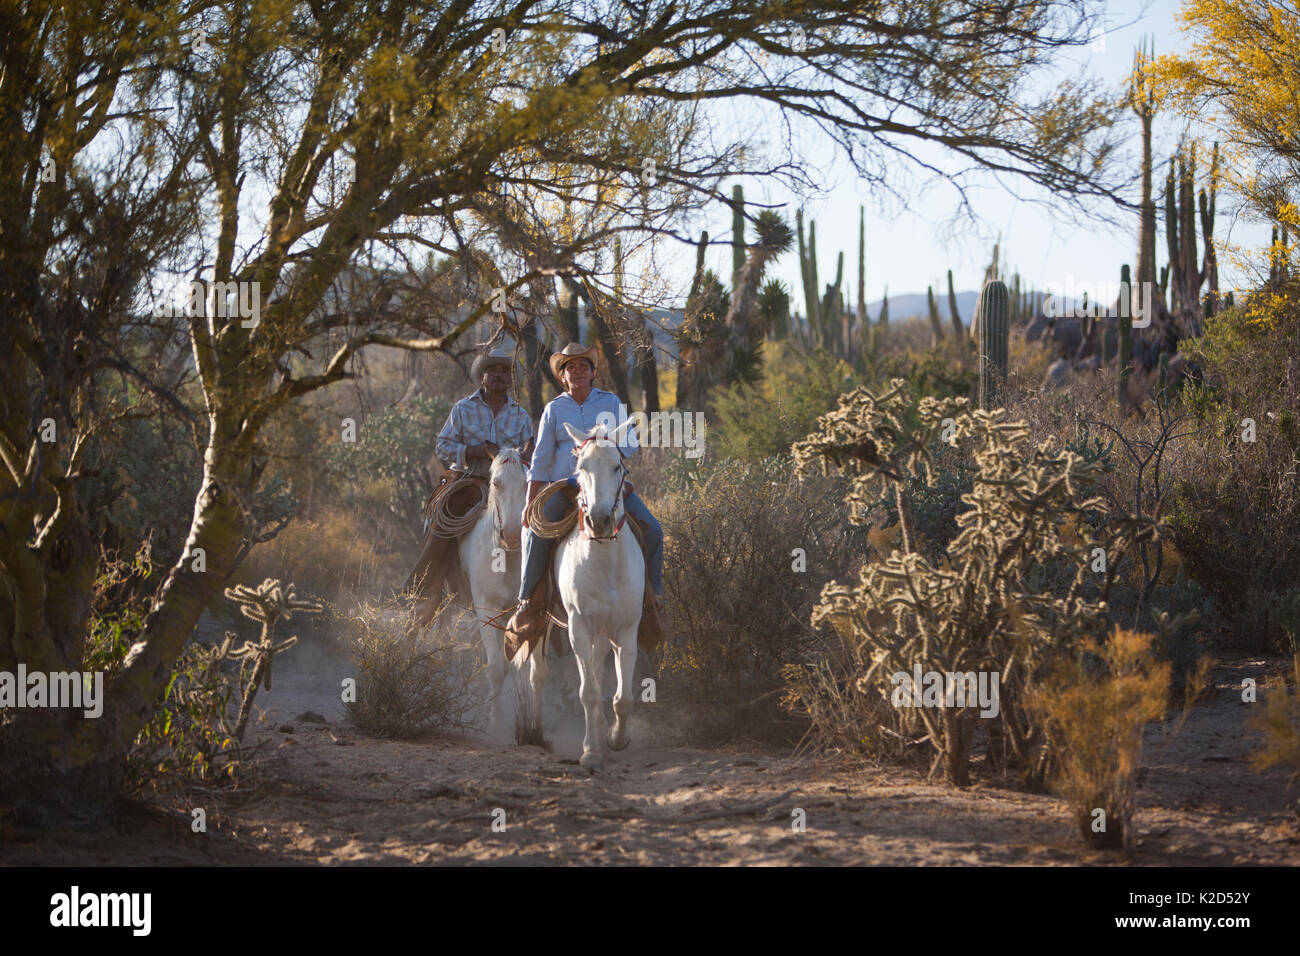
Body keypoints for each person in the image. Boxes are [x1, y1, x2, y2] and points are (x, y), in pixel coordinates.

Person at [505, 342, 664, 640]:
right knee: (537, 534)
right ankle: (528, 602)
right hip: (563, 487)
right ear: (562, 377)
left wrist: (601, 445)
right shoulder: (554, 409)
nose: (577, 372)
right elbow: (540, 461)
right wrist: (529, 504)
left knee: (653, 529)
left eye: (583, 367)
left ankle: (654, 597)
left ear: (592, 373)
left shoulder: (611, 402)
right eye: (570, 369)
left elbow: (630, 444)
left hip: (607, 485)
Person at [404, 344, 535, 621]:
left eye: (504, 371)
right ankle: (428, 585)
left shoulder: (521, 415)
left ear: (511, 379)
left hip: (507, 483)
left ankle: (538, 595)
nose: (499, 375)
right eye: (492, 370)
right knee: (446, 516)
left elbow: (530, 453)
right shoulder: (463, 408)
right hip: (470, 480)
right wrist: (473, 451)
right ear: (482, 377)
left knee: (536, 519)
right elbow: (443, 446)